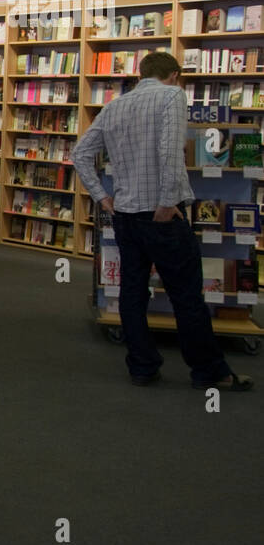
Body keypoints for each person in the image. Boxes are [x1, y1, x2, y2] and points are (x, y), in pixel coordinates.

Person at [73, 50, 252, 391]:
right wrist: (169, 202)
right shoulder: (172, 95)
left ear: (141, 74)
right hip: (161, 215)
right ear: (174, 75)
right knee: (186, 295)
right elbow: (171, 151)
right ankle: (210, 371)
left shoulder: (113, 107)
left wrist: (102, 196)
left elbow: (80, 153)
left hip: (125, 215)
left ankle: (142, 367)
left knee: (132, 292)